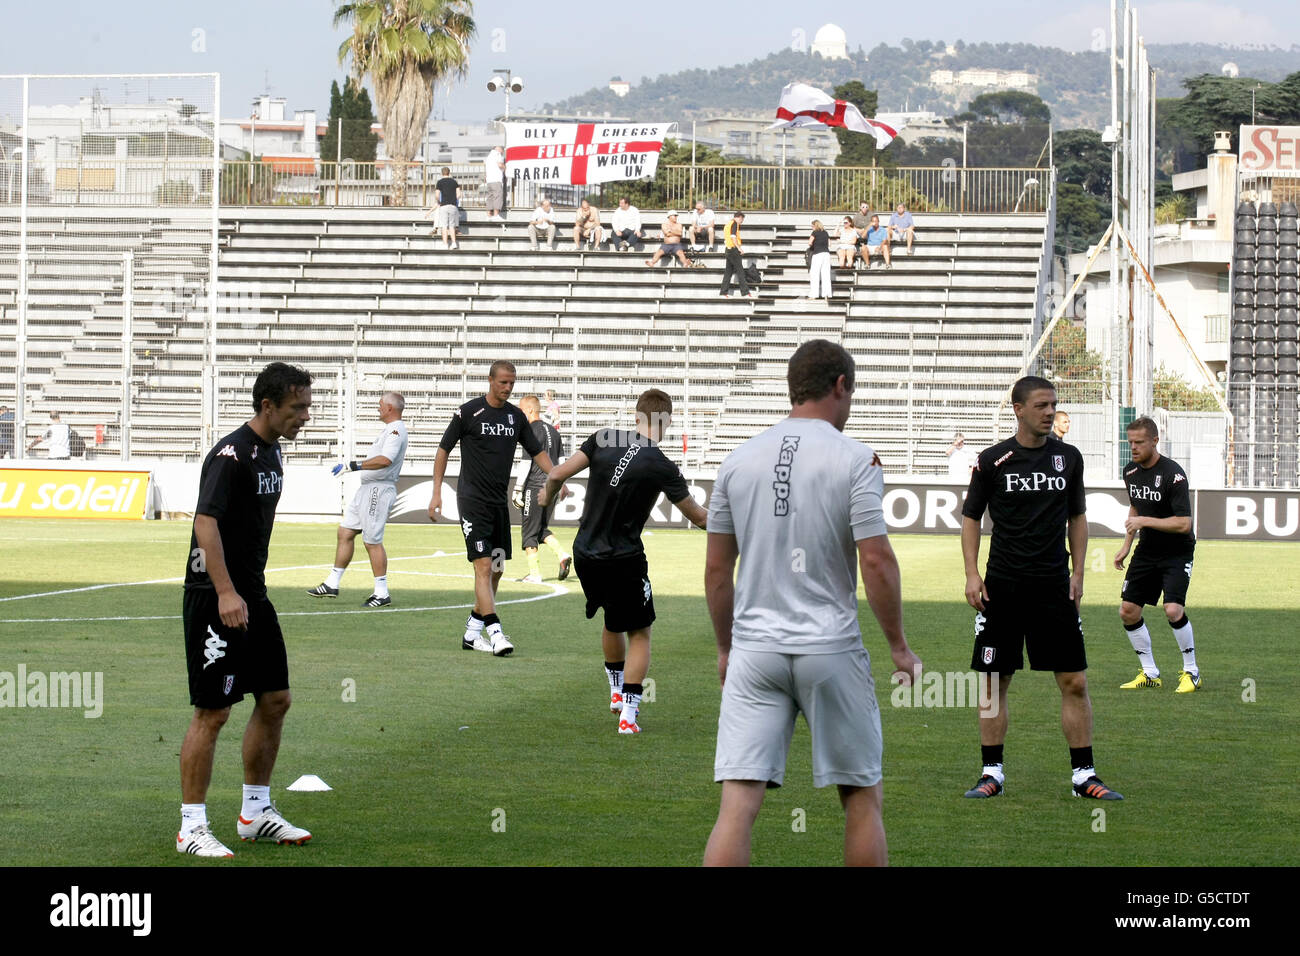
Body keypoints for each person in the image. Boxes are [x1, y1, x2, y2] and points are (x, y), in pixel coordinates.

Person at [702, 340, 921, 866]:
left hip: (755, 650)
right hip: (829, 647)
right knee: (861, 797)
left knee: (738, 803)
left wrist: (726, 647)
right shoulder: (855, 457)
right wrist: (899, 647)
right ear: (840, 385)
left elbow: (715, 572)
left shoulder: (737, 460)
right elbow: (877, 562)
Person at [961, 375, 1122, 801]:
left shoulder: (1068, 458)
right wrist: (972, 574)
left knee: (1074, 682)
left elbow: (1078, 517)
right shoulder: (993, 459)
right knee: (995, 680)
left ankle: (1083, 776)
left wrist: (1079, 572)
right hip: (1003, 588)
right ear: (1018, 409)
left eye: (1053, 405)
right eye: (1041, 405)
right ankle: (991, 773)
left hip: (1054, 587)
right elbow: (971, 518)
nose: (1050, 412)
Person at [177, 362, 314, 858]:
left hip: (252, 596)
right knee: (213, 712)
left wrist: (245, 592)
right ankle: (191, 826)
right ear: (268, 406)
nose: (306, 416)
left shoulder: (271, 452)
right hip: (218, 598)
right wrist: (225, 592)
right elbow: (204, 522)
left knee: (275, 699)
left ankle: (255, 813)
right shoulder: (231, 455)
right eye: (298, 407)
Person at [541, 388, 708, 734]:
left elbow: (556, 474)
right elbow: (701, 518)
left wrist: (545, 498)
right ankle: (629, 717)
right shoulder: (662, 465)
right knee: (640, 632)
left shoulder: (603, 437)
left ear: (636, 416)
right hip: (624, 558)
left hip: (586, 552)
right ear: (667, 422)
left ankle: (617, 694)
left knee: (611, 621)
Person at [429, 361, 557, 657]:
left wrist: (556, 477)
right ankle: (496, 633)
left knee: (497, 568)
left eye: (512, 382)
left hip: (498, 502)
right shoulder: (468, 412)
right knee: (484, 566)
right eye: (502, 382)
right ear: (490, 381)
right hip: (472, 501)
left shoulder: (516, 417)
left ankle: (472, 632)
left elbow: (537, 452)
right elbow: (443, 448)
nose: (508, 387)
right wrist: (436, 491)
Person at [1113, 416, 1201, 693]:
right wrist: (1127, 544)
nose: (1134, 448)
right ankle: (1150, 672)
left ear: (1154, 441)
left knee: (1173, 609)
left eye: (1139, 442)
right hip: (1146, 550)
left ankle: (1192, 672)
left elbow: (1184, 523)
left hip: (1177, 551)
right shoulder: (1130, 472)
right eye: (1130, 443)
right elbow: (1136, 508)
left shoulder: (1173, 474)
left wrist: (1144, 523)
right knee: (1128, 611)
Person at [307, 391, 409, 608]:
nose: (378, 407)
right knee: (345, 532)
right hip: (368, 489)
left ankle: (381, 592)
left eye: (381, 404)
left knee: (372, 540)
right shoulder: (390, 430)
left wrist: (353, 465)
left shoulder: (395, 430)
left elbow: (385, 460)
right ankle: (332, 583)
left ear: (390, 408)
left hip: (378, 490)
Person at [511, 394, 573, 584]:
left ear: (530, 410)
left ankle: (535, 574)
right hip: (551, 488)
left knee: (529, 532)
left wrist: (518, 488)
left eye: (521, 410)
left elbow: (526, 462)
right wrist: (561, 485)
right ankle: (562, 555)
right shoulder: (554, 432)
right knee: (540, 529)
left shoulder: (529, 430)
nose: (519, 414)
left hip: (534, 487)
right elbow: (562, 462)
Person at [718, 211, 752, 298]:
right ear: (739, 217)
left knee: (728, 272)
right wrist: (739, 248)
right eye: (742, 220)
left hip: (728, 249)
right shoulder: (734, 224)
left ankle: (723, 292)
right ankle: (745, 293)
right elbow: (733, 237)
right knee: (740, 271)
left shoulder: (728, 224)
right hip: (733, 250)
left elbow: (727, 238)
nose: (741, 222)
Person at [429, 166, 460, 248]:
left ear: (442, 173)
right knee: (452, 226)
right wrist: (454, 200)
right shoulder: (454, 182)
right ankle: (454, 243)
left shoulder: (439, 182)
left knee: (444, 226)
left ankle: (445, 244)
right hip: (453, 205)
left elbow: (436, 195)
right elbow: (459, 194)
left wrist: (439, 201)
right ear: (449, 173)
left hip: (444, 206)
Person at [805, 219, 832, 301]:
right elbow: (829, 244)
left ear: (814, 226)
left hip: (817, 254)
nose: (812, 228)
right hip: (826, 254)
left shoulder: (814, 232)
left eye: (812, 226)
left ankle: (814, 294)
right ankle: (826, 295)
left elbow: (809, 242)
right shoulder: (826, 232)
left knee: (814, 274)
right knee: (826, 274)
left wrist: (813, 246)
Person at [484, 145, 506, 222]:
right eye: (502, 150)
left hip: (489, 180)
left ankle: (488, 215)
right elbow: (500, 165)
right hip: (496, 179)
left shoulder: (489, 157)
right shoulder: (498, 155)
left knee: (490, 197)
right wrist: (506, 168)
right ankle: (496, 215)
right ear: (499, 149)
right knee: (498, 196)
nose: (503, 152)